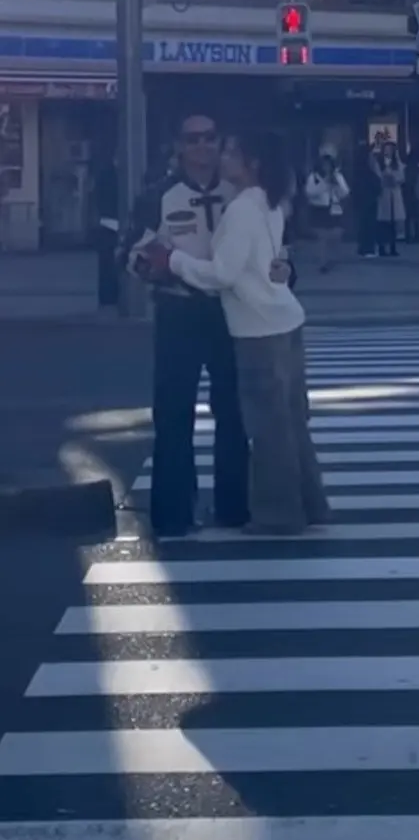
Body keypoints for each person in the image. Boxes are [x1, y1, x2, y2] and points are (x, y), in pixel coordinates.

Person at [145, 131, 330, 537]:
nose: (219, 155)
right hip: (284, 317)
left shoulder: (241, 208)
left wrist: (172, 260)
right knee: (293, 422)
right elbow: (273, 257)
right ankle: (310, 503)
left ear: (253, 163)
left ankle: (278, 514)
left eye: (229, 150)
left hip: (255, 325)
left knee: (268, 429)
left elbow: (223, 274)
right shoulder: (268, 200)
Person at [117, 112, 248, 538]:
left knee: (234, 413)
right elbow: (128, 254)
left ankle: (235, 506)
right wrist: (155, 266)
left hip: (231, 311)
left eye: (210, 138)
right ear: (179, 145)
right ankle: (173, 512)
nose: (202, 147)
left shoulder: (241, 192)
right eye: (193, 139)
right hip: (178, 313)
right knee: (173, 414)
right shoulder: (158, 196)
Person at [304, 146, 349, 272]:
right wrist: (324, 184)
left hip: (335, 208)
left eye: (328, 163)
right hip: (319, 208)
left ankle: (332, 259)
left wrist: (336, 185)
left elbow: (345, 192)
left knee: (335, 235)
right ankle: (322, 262)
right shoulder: (314, 177)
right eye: (324, 163)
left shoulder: (338, 176)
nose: (326, 166)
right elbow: (309, 192)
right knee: (322, 237)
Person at [92, 152, 120, 307]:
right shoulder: (115, 176)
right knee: (109, 263)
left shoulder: (105, 175)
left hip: (107, 221)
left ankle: (107, 295)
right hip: (111, 221)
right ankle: (110, 295)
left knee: (107, 264)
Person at [374, 141, 406, 257]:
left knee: (393, 222)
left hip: (395, 193)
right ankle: (382, 247)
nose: (388, 152)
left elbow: (402, 177)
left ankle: (393, 247)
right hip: (384, 194)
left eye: (391, 150)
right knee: (383, 222)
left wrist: (395, 179)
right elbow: (378, 177)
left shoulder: (398, 163)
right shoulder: (379, 163)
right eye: (386, 149)